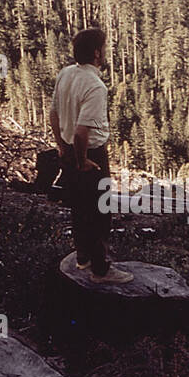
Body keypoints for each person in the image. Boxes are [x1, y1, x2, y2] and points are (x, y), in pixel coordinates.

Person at [49, 28, 133, 284]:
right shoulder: (96, 86)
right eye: (104, 48)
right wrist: (83, 158)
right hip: (91, 154)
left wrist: (63, 149)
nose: (105, 52)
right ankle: (101, 270)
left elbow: (53, 114)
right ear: (97, 53)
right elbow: (82, 130)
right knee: (99, 211)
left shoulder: (67, 73)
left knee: (79, 206)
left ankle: (83, 257)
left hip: (68, 149)